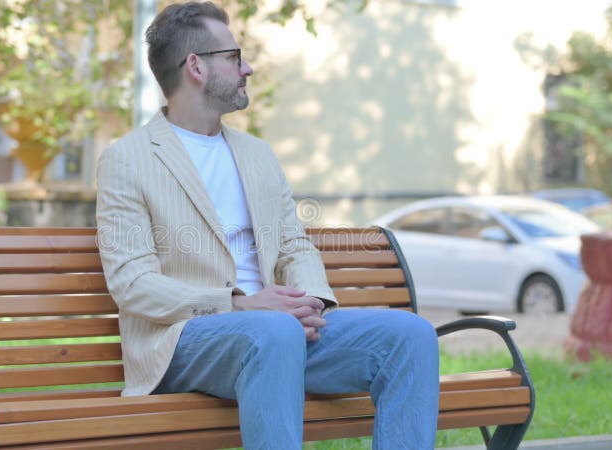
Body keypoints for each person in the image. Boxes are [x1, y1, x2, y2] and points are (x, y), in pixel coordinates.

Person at [95, 2, 439, 448]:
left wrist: (309, 302)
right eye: (234, 57)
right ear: (195, 67)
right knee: (271, 331)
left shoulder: (257, 154)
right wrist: (240, 305)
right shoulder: (128, 159)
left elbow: (294, 245)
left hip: (278, 332)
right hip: (182, 343)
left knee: (410, 336)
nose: (248, 69)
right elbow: (133, 283)